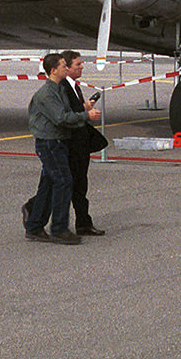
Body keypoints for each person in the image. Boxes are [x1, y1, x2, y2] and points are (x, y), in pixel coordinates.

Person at [23, 53, 99, 244]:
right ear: (54, 70)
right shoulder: (48, 94)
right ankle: (58, 228)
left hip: (58, 141)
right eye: (64, 66)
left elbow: (66, 113)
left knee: (50, 184)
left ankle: (34, 226)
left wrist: (81, 112)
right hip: (50, 143)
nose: (68, 69)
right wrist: (86, 116)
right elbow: (61, 118)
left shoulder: (59, 90)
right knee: (64, 182)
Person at [59, 49, 106, 235]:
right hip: (71, 144)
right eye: (77, 64)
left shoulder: (74, 85)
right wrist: (86, 113)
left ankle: (83, 223)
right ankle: (34, 208)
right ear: (67, 68)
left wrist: (84, 107)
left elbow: (74, 109)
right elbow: (66, 115)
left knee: (80, 184)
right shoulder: (63, 87)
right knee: (66, 183)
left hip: (80, 144)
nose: (81, 66)